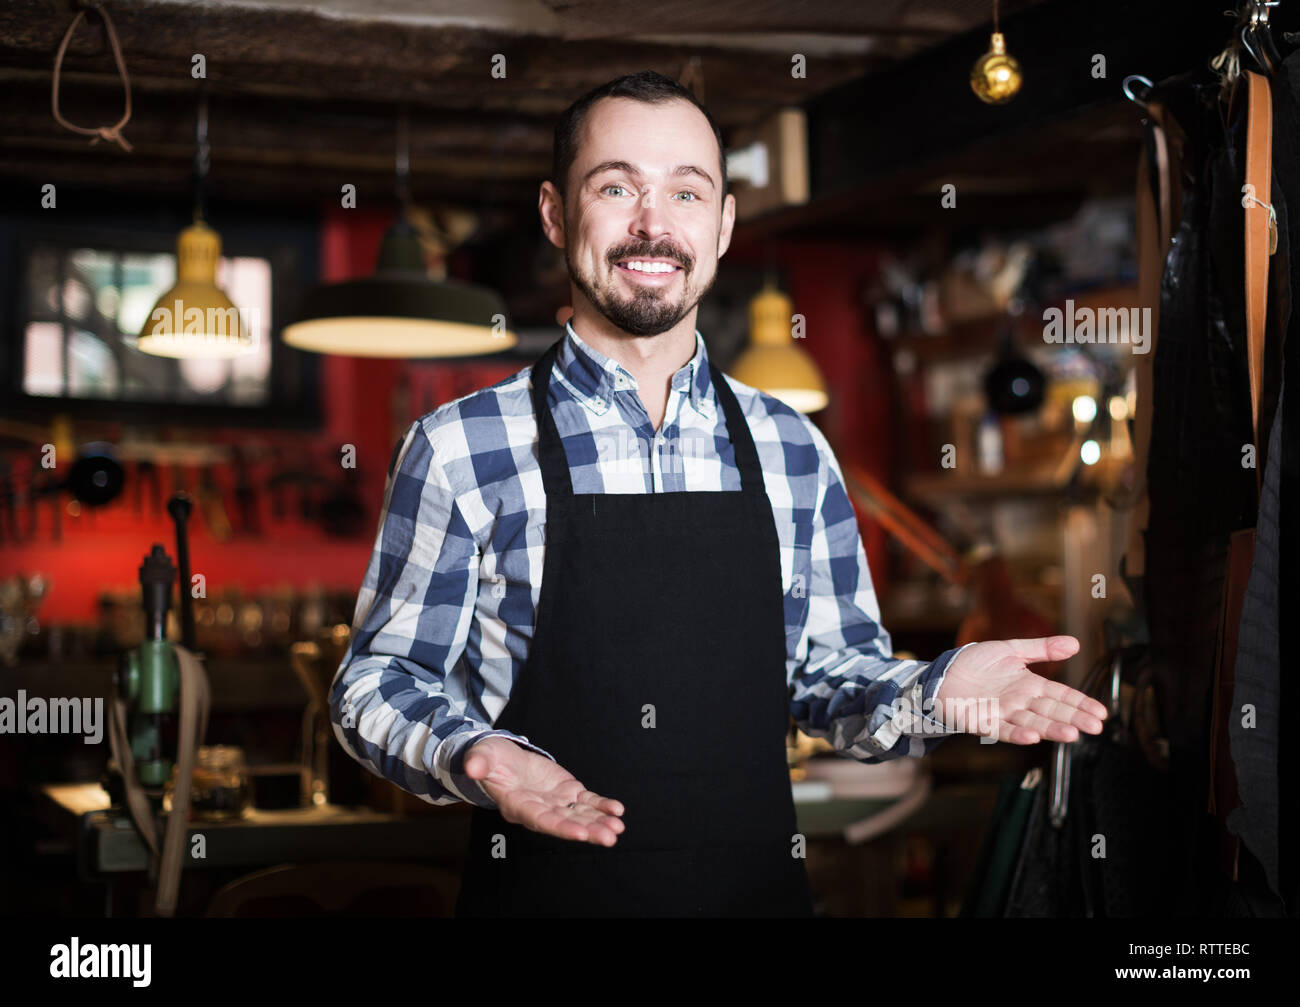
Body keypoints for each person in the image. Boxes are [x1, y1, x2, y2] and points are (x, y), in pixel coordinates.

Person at [330, 70, 1108, 917]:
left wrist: (935, 693)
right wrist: (473, 752)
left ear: (725, 223)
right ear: (554, 214)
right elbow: (376, 680)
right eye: (616, 187)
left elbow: (827, 675)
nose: (652, 224)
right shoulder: (459, 447)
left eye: (686, 192)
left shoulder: (792, 449)